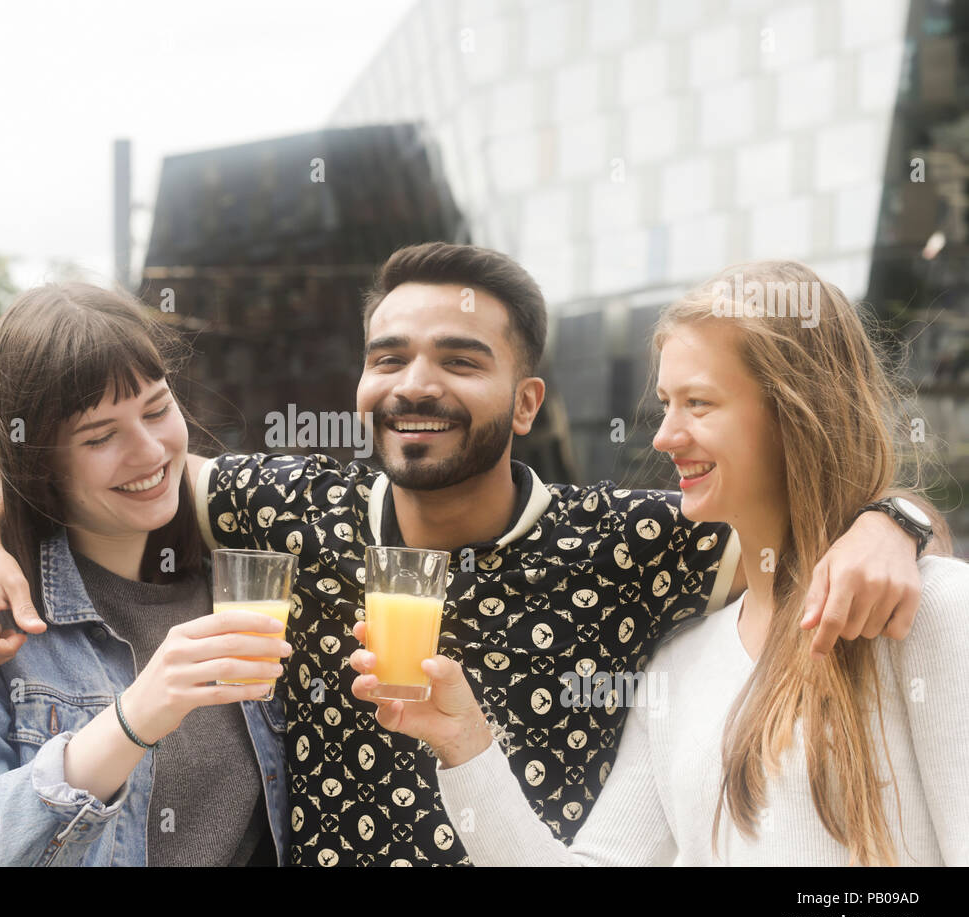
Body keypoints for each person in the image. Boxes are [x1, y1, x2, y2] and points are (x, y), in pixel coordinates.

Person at [0, 244, 928, 866]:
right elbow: (100, 455)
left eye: (459, 358)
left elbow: (812, 510)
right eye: (387, 357)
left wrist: (896, 517)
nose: (414, 382)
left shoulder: (637, 543)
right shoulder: (285, 508)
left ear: (528, 402)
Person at [352, 260, 967, 865]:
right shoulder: (680, 666)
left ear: (798, 415)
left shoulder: (931, 612)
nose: (664, 437)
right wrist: (463, 741)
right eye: (667, 403)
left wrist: (894, 519)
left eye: (699, 403)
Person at [0, 283, 290, 866]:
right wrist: (131, 722)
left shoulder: (250, 573)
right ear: (39, 460)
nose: (150, 450)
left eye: (157, 409)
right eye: (101, 436)